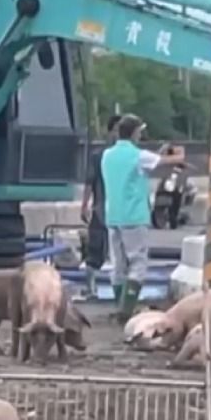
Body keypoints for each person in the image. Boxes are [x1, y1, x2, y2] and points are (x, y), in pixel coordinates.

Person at [100, 114, 186, 321]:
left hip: (113, 216)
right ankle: (126, 311)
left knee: (118, 265)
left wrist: (156, 154)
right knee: (137, 263)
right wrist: (178, 153)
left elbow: (143, 163)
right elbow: (171, 161)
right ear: (135, 133)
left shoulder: (107, 155)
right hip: (134, 216)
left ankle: (120, 305)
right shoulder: (138, 156)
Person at [80, 115, 122, 297]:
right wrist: (85, 205)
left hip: (120, 210)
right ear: (110, 131)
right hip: (102, 208)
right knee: (95, 248)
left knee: (122, 252)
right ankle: (91, 288)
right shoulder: (99, 156)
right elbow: (90, 182)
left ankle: (120, 291)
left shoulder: (125, 155)